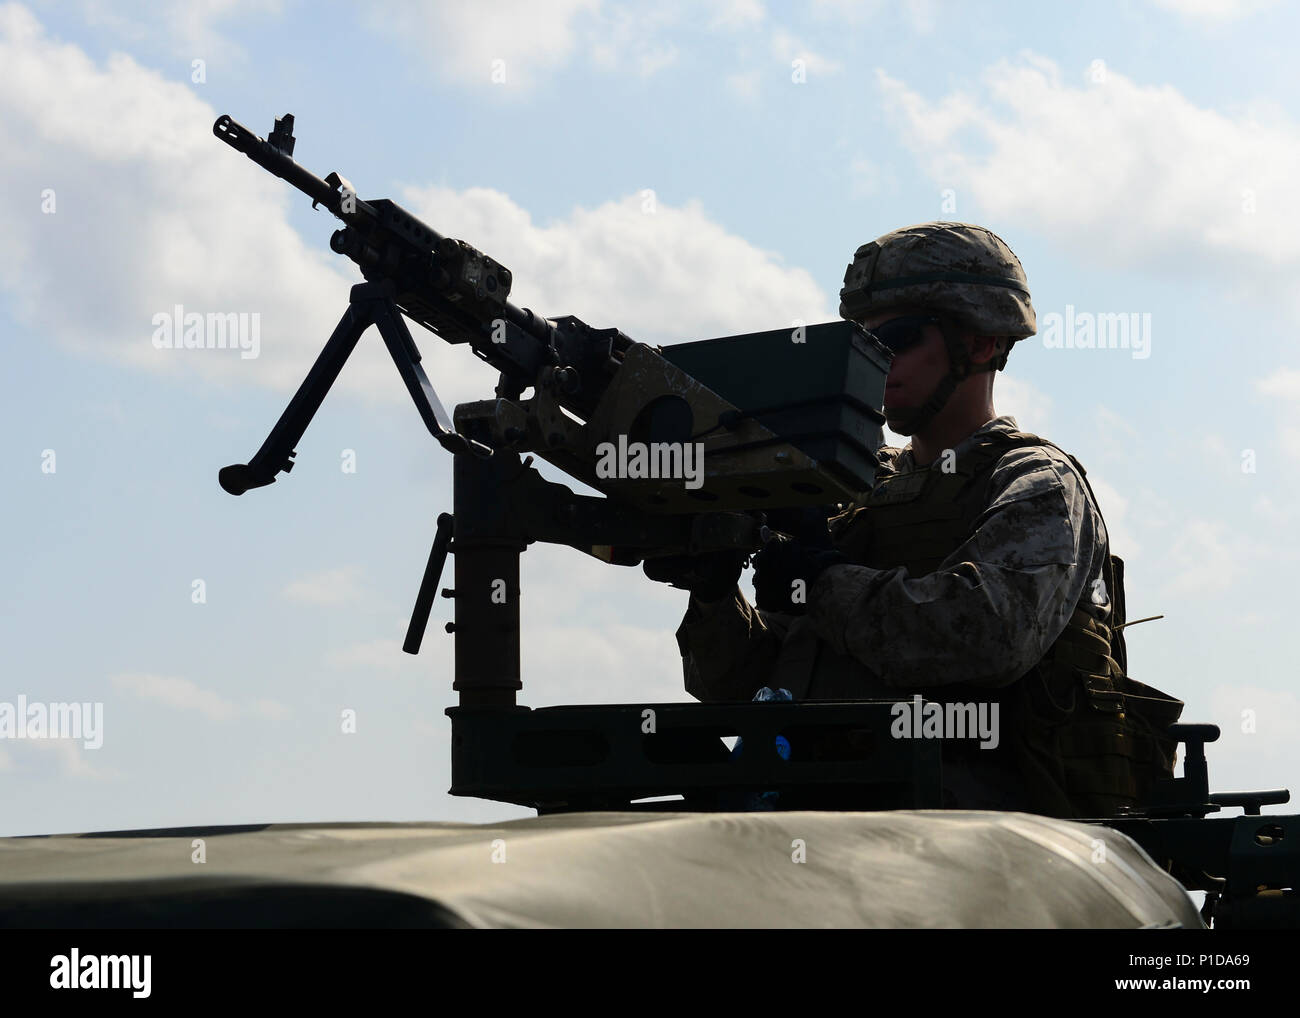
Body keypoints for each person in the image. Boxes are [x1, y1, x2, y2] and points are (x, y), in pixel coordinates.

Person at [645, 221, 1181, 818]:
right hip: (828, 819)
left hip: (988, 834)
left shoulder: (1036, 485)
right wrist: (716, 595)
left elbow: (985, 637)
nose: (875, 361)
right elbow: (746, 686)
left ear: (980, 344)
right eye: (863, 343)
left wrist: (822, 581)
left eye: (897, 339)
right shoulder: (849, 491)